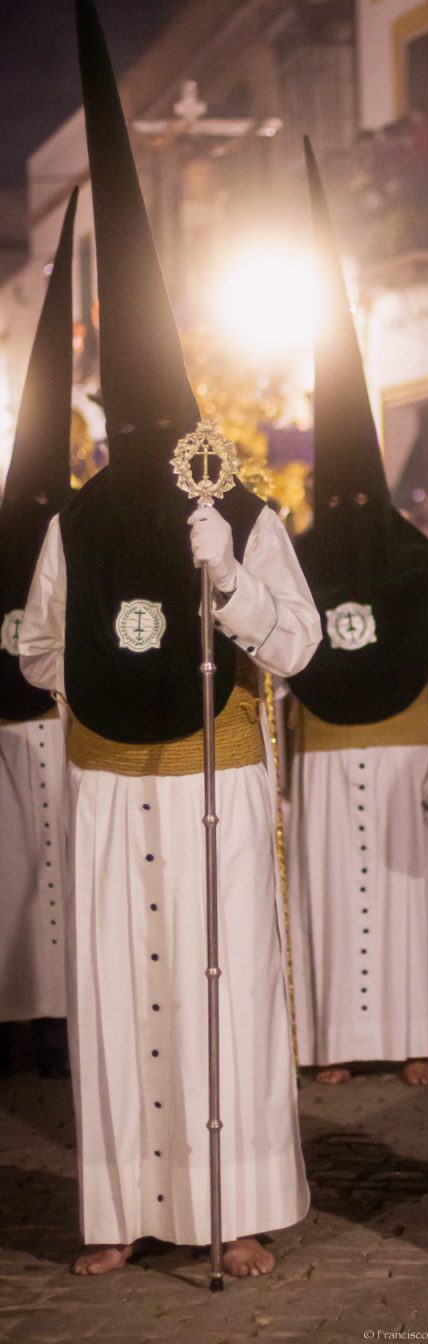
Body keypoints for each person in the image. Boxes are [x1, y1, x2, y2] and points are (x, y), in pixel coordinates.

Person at [19, 0, 320, 1279]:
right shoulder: (78, 522)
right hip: (102, 781)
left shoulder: (245, 511)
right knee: (118, 987)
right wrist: (85, 670)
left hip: (215, 773)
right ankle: (122, 1211)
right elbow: (34, 643)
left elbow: (297, 646)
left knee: (216, 985)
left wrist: (227, 570)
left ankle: (231, 1211)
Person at [286, 142, 428, 1090]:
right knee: (329, 901)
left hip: (407, 757)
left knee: (407, 906)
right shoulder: (300, 558)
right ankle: (331, 1040)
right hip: (323, 757)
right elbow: (279, 664)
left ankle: (415, 1038)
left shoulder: (413, 563)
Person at [0, 190, 77, 1080]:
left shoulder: (85, 530)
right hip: (10, 731)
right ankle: (24, 1018)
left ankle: (57, 1020)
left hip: (63, 728)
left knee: (54, 882)